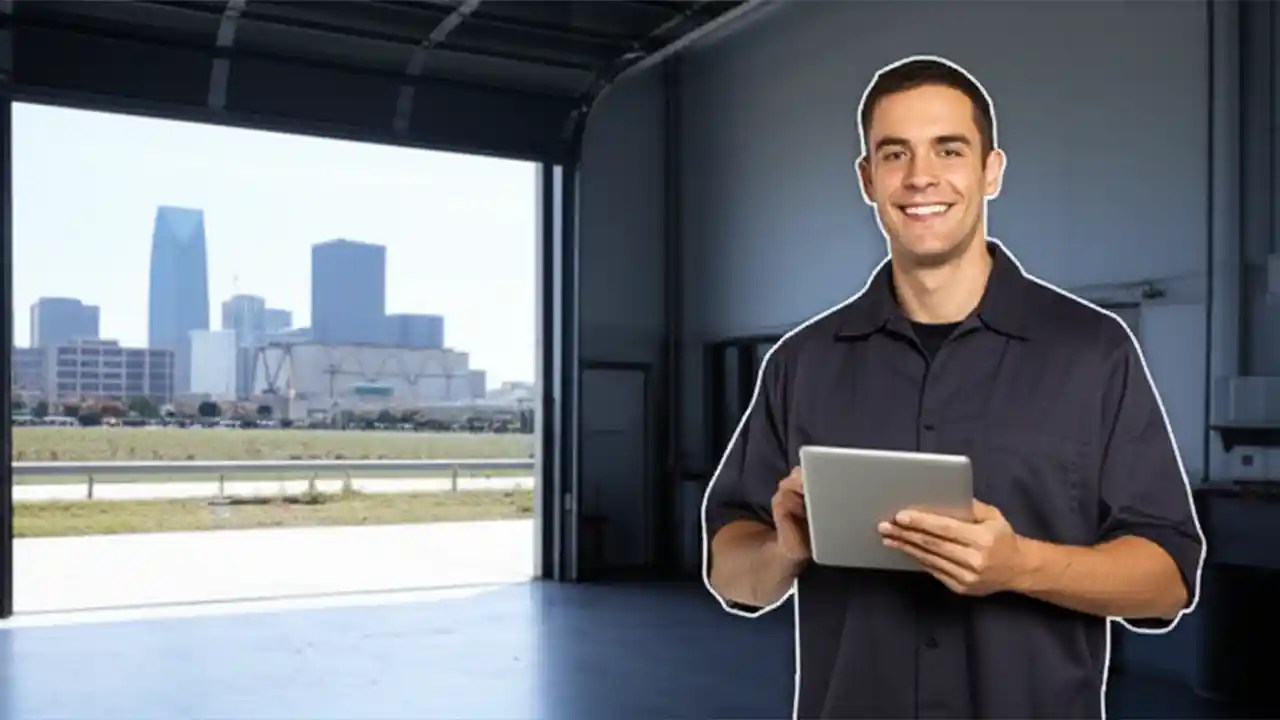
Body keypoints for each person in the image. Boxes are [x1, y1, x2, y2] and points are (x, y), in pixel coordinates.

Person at [700, 55, 1205, 720]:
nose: (920, 178)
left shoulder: (1094, 352)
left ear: (991, 170)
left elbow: (1167, 580)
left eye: (948, 149)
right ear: (867, 179)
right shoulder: (804, 362)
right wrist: (782, 551)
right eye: (894, 154)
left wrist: (1020, 565)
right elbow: (728, 564)